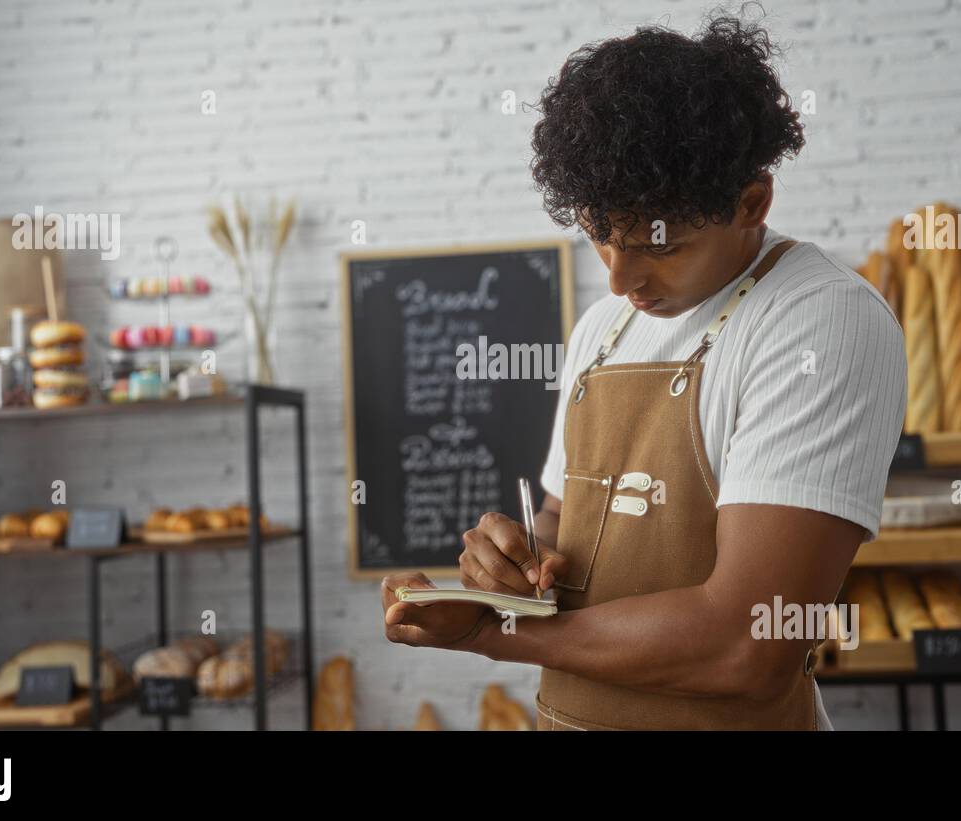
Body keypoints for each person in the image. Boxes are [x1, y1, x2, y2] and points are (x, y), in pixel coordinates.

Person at [381, 12, 906, 730]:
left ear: (751, 203)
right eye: (601, 238)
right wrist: (505, 576)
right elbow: (571, 530)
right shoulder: (604, 329)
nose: (621, 279)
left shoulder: (820, 320)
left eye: (663, 246)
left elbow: (749, 643)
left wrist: (495, 634)